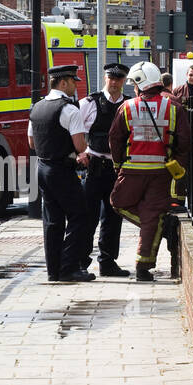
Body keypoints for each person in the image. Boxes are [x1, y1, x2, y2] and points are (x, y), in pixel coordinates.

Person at [109, 60, 191, 281]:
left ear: (139, 82)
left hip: (132, 170)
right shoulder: (175, 108)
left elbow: (115, 138)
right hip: (162, 172)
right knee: (152, 215)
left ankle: (152, 240)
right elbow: (184, 142)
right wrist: (178, 168)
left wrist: (118, 164)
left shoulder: (127, 107)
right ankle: (144, 264)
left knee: (117, 202)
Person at [28, 63, 95, 282]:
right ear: (63, 82)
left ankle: (53, 270)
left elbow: (31, 142)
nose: (75, 88)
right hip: (62, 170)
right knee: (79, 216)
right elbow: (80, 146)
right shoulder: (68, 109)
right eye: (73, 83)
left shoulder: (37, 107)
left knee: (53, 221)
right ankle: (69, 267)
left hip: (42, 168)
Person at [77, 61, 130, 277]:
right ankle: (81, 262)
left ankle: (108, 263)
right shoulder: (89, 103)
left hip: (117, 169)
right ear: (105, 78)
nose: (114, 82)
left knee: (113, 217)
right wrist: (79, 154)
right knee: (87, 217)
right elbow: (73, 130)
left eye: (119, 79)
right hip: (94, 166)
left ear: (124, 81)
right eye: (111, 78)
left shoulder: (129, 104)